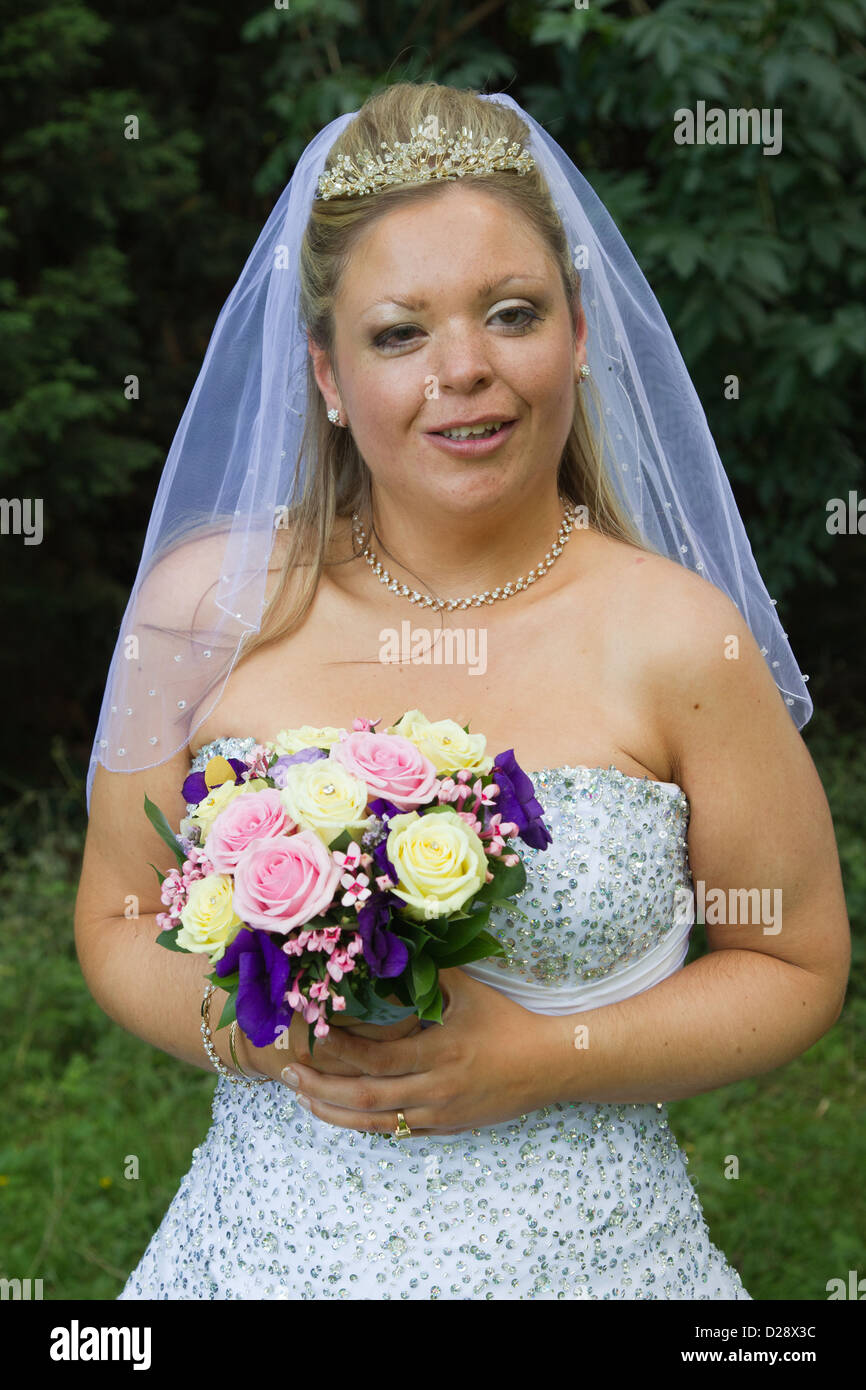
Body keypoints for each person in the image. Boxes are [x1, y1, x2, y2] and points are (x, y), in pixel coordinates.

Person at [74, 81, 850, 1300]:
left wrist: (545, 1056)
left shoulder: (678, 638)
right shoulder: (203, 608)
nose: (466, 370)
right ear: (325, 372)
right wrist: (265, 1032)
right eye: (398, 334)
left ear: (578, 333)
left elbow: (796, 961)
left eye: (510, 312)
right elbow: (117, 920)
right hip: (262, 1260)